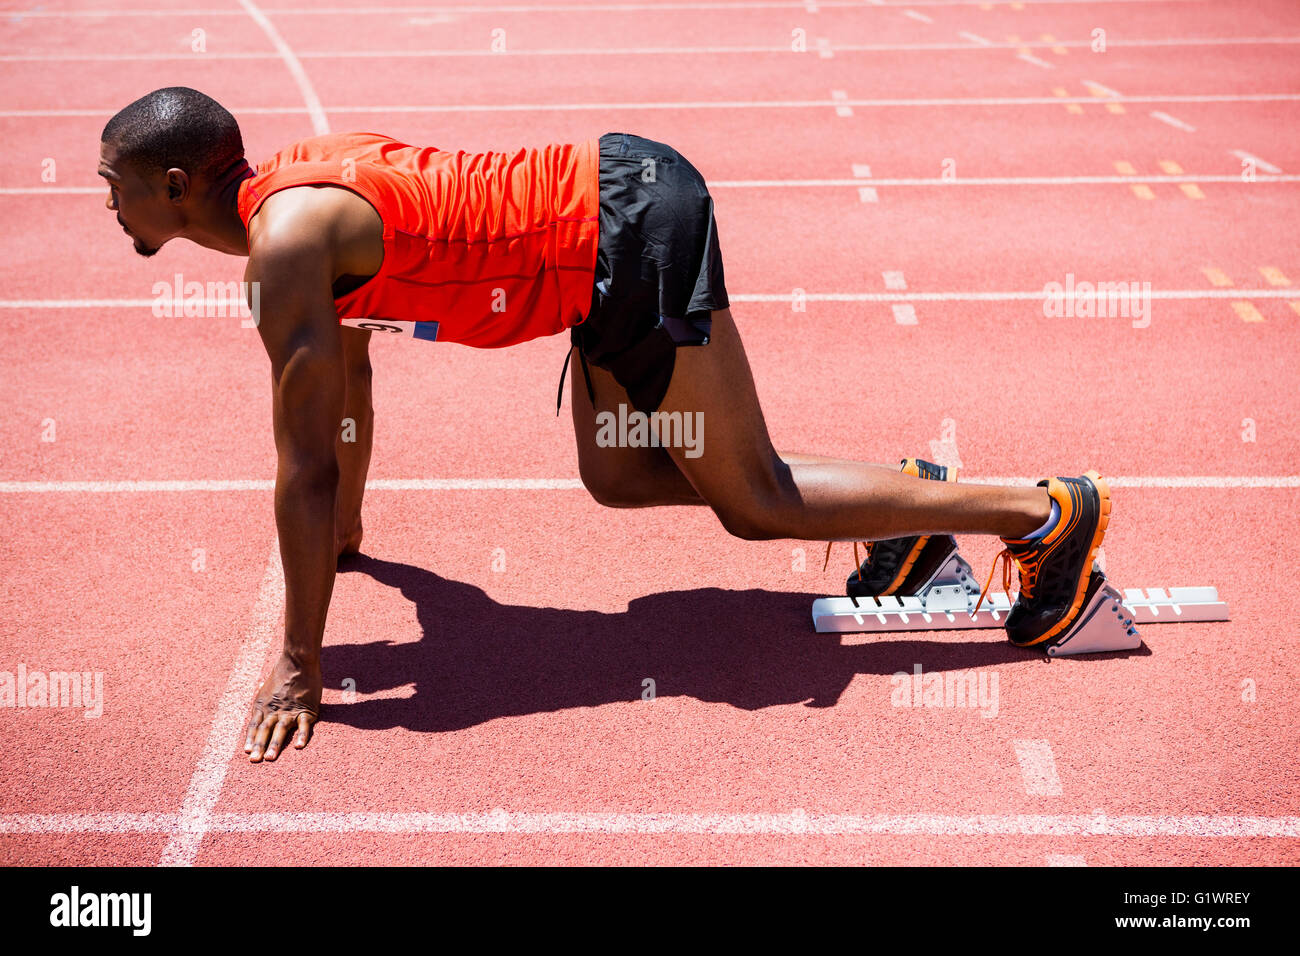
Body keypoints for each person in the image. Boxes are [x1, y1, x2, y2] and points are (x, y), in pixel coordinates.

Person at [98, 87, 1110, 762]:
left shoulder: (284, 249)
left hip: (625, 233)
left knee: (753, 501)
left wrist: (300, 664)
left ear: (177, 185)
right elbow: (350, 390)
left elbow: (305, 463)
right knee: (618, 473)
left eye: (115, 184)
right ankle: (905, 504)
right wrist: (356, 541)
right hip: (598, 241)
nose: (106, 201)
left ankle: (1040, 512)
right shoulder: (295, 199)